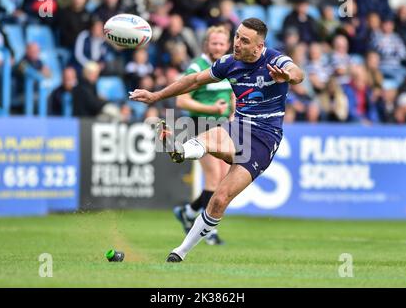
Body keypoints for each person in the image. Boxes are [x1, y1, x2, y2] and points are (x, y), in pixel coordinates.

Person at [130, 18, 304, 262]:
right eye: (237, 36)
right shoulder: (228, 63)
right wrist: (156, 95)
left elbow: (298, 73)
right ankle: (180, 150)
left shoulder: (275, 60)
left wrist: (287, 76)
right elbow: (193, 81)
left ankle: (182, 250)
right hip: (239, 126)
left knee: (220, 199)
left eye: (245, 40)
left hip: (265, 138)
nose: (237, 43)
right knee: (213, 135)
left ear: (258, 46)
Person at [173, 26, 235, 246]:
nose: (218, 47)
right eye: (214, 43)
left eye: (221, 43)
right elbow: (181, 100)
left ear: (227, 45)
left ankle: (188, 212)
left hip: (222, 127)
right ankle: (209, 231)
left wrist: (232, 113)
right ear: (206, 44)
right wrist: (213, 110)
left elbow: (231, 96)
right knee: (213, 178)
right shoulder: (196, 67)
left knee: (222, 181)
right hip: (199, 124)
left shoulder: (228, 66)